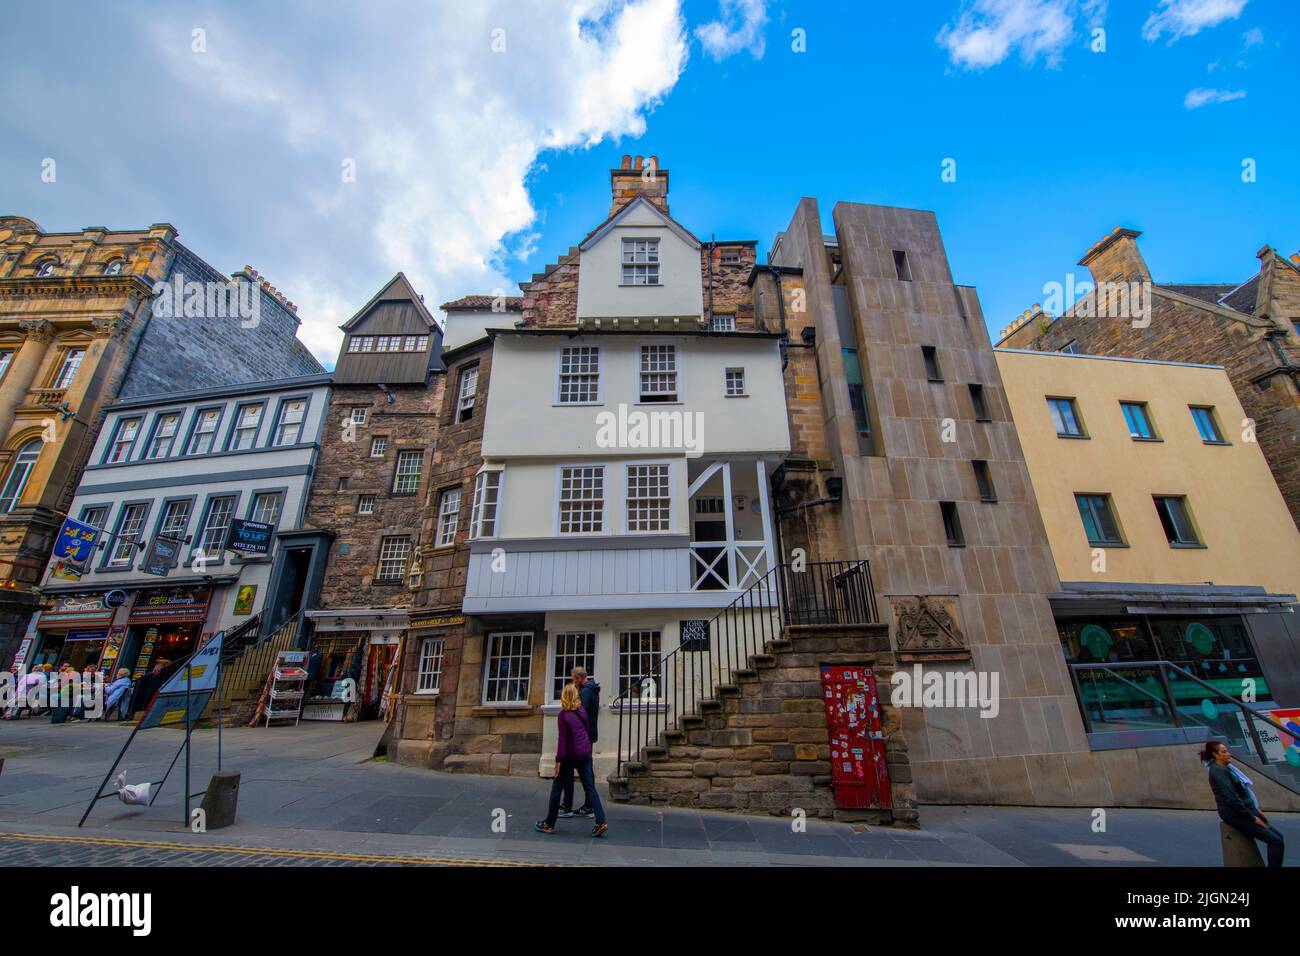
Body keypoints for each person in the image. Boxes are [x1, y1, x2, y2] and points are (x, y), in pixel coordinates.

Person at [536, 682, 608, 838]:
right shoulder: (582, 711)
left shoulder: (564, 715)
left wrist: (558, 761)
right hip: (585, 752)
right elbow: (586, 730)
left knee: (557, 788)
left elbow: (562, 740)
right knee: (590, 787)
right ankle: (601, 821)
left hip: (571, 755)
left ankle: (549, 823)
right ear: (576, 696)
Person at [1203, 740, 1285, 868]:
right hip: (1236, 815)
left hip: (1245, 810)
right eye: (1224, 752)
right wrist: (1252, 817)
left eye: (1227, 751)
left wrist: (1255, 809)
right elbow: (1232, 798)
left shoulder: (1227, 769)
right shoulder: (1218, 771)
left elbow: (1243, 791)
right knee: (1276, 842)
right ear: (1215, 755)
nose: (1228, 754)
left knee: (1278, 837)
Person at [558, 666, 601, 818]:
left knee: (574, 770)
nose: (573, 682)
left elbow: (578, 711)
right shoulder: (590, 689)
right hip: (586, 736)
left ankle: (569, 805)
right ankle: (587, 806)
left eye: (573, 679)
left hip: (580, 737)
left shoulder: (586, 692)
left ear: (579, 678)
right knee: (585, 771)